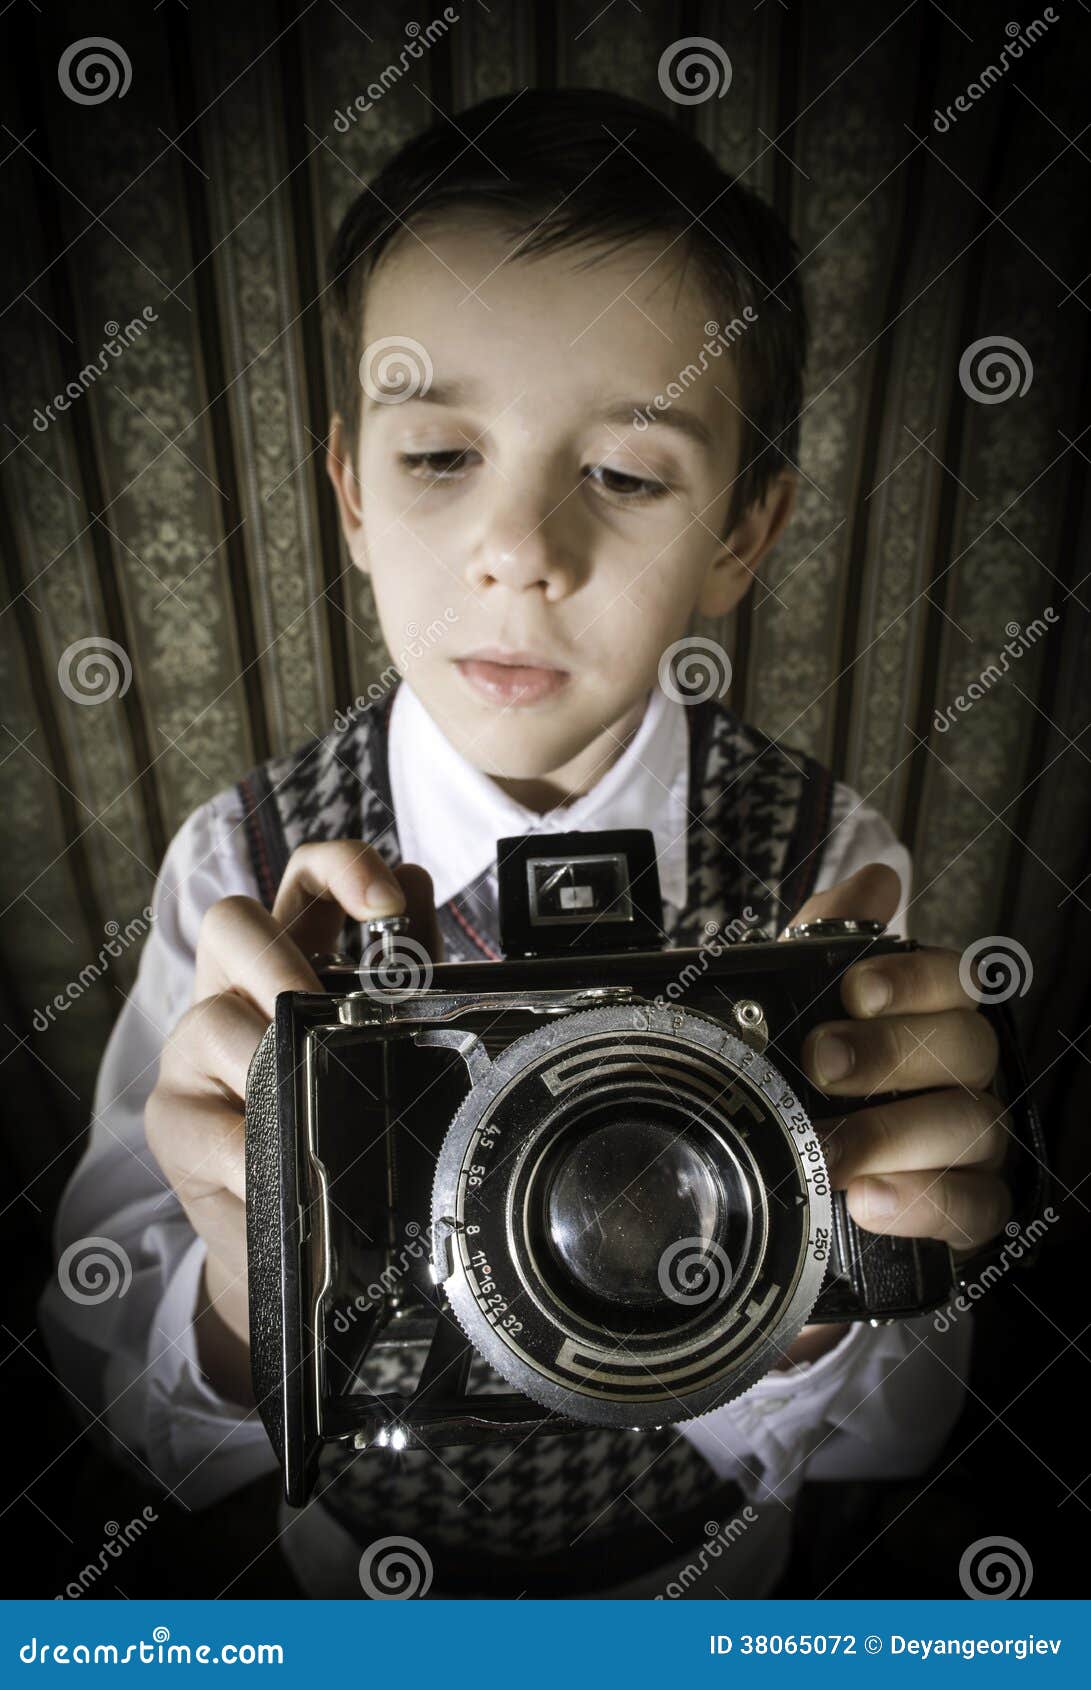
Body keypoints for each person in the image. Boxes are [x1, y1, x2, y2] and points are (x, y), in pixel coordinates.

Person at [38, 88, 1012, 1600]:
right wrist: (250, 1281)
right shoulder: (234, 866)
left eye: (623, 476)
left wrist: (834, 1280)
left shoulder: (833, 866)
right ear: (353, 488)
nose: (523, 551)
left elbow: (898, 1426)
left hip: (694, 1581)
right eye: (440, 458)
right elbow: (132, 1388)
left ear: (744, 535)